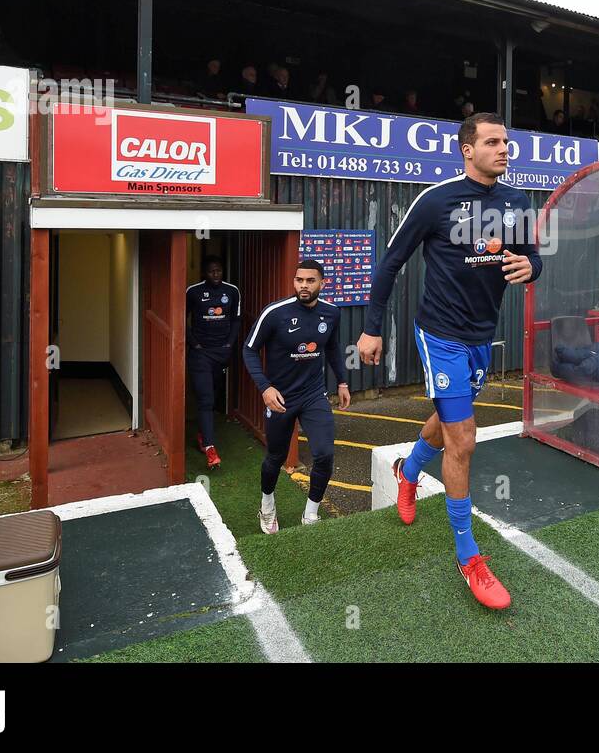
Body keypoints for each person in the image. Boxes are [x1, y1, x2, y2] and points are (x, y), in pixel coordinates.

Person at [356, 112, 542, 609]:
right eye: (493, 142)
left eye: (507, 141)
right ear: (466, 149)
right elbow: (390, 262)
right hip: (439, 333)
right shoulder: (436, 200)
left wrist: (532, 266)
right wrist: (372, 328)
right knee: (463, 437)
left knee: (447, 415)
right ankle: (469, 556)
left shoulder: (515, 201)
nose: (504, 150)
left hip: (482, 335)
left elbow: (531, 256)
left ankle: (409, 468)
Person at [242, 260, 350, 533]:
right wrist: (265, 387)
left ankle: (311, 514)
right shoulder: (275, 313)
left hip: (314, 394)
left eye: (310, 280)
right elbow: (249, 350)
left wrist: (343, 382)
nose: (303, 285)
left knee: (324, 454)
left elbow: (334, 348)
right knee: (275, 458)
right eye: (299, 280)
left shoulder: (332, 313)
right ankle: (267, 505)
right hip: (280, 397)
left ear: (322, 283)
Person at [186, 257, 241, 469]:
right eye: (211, 271)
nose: (215, 274)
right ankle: (210, 449)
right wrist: (195, 344)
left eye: (218, 271)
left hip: (222, 353)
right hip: (200, 353)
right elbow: (182, 318)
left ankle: (202, 434)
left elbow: (236, 319)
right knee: (206, 399)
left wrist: (229, 345)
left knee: (214, 393)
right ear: (204, 273)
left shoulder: (232, 291)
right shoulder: (193, 291)